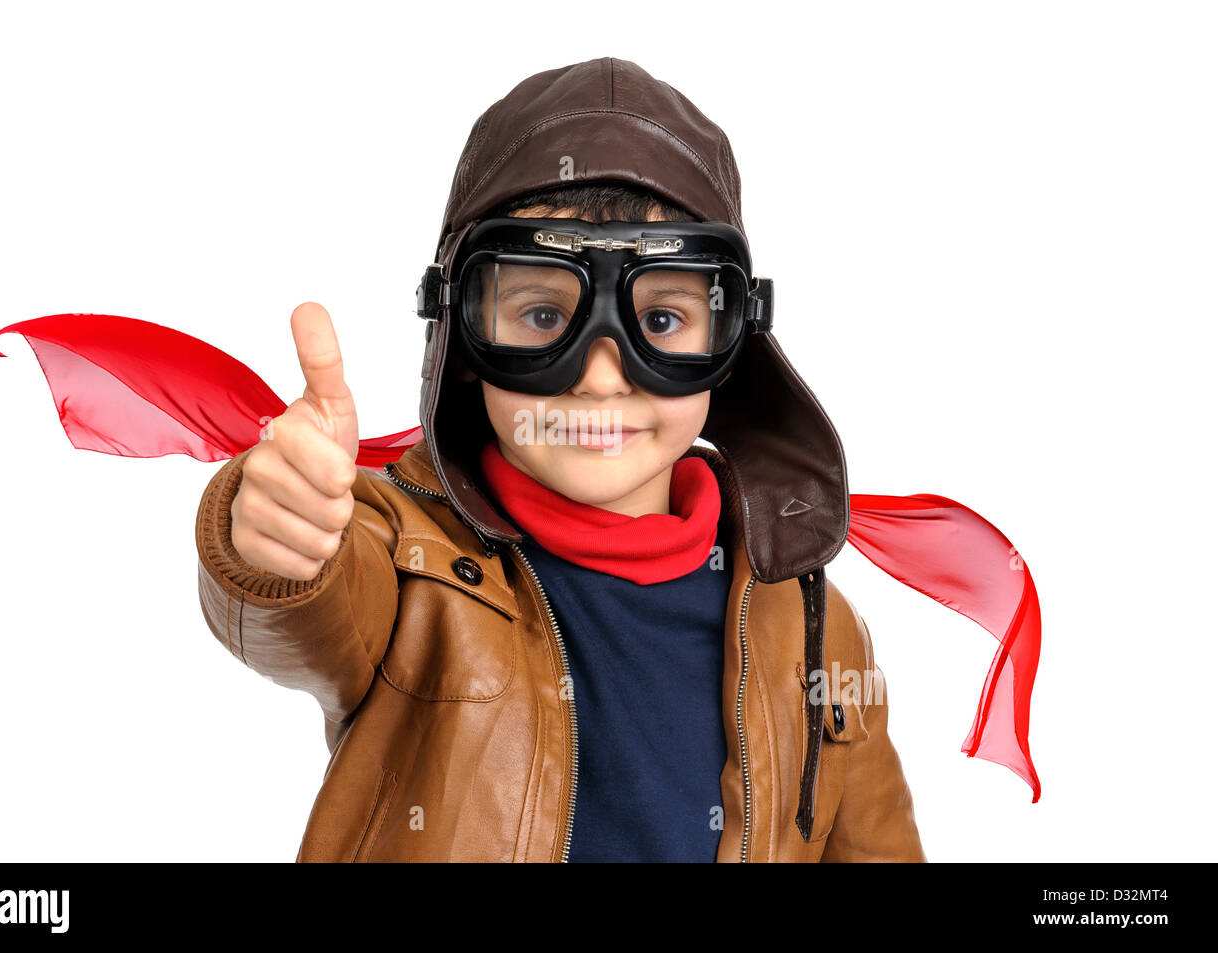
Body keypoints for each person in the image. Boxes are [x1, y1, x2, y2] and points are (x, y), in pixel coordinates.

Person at [194, 57, 926, 862]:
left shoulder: (817, 627)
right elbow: (311, 607)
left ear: (733, 342)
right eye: (544, 313)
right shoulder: (401, 557)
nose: (600, 373)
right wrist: (278, 538)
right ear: (459, 338)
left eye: (663, 318)